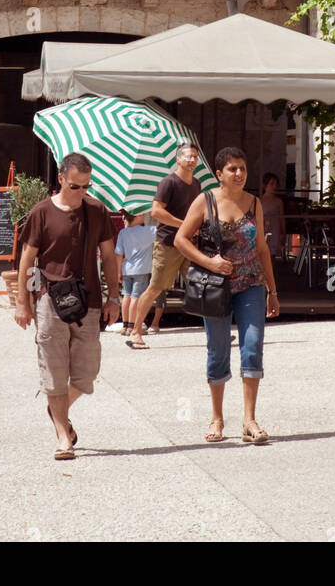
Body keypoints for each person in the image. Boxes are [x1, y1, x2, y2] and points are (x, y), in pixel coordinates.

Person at [14, 151, 120, 460]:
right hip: (49, 298)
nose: (81, 192)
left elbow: (110, 257)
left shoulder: (97, 211)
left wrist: (114, 296)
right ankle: (63, 435)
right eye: (75, 186)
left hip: (88, 299)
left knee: (86, 375)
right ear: (61, 179)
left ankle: (56, 407)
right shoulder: (42, 212)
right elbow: (27, 259)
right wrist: (23, 301)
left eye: (86, 186)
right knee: (54, 370)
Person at [175, 146, 279, 444]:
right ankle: (217, 418)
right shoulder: (205, 200)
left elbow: (261, 248)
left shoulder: (254, 203)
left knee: (252, 345)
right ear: (218, 174)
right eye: (232, 169)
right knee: (218, 349)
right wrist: (209, 262)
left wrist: (272, 290)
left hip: (252, 284)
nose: (239, 174)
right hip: (215, 287)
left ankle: (249, 420)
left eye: (242, 168)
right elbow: (181, 239)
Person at [127, 142, 201, 349]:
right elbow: (156, 211)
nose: (192, 160)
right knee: (155, 288)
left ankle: (216, 332)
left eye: (195, 156)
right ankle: (135, 331)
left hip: (188, 244)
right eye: (188, 156)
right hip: (167, 243)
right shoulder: (168, 183)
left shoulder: (196, 184)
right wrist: (184, 225)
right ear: (178, 159)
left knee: (201, 286)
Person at [109, 211, 156, 335]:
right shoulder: (148, 231)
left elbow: (118, 254)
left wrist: (118, 272)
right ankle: (133, 326)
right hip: (141, 270)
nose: (144, 216)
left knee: (126, 296)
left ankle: (125, 325)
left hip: (126, 269)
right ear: (137, 216)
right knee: (136, 297)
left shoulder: (123, 233)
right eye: (142, 214)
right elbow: (163, 231)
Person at [260, 172, 287, 260]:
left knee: (272, 254)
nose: (274, 187)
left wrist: (283, 233)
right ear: (265, 185)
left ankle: (271, 273)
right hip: (263, 229)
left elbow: (282, 218)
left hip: (275, 229)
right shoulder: (259, 200)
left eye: (276, 184)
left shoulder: (279, 202)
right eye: (271, 184)